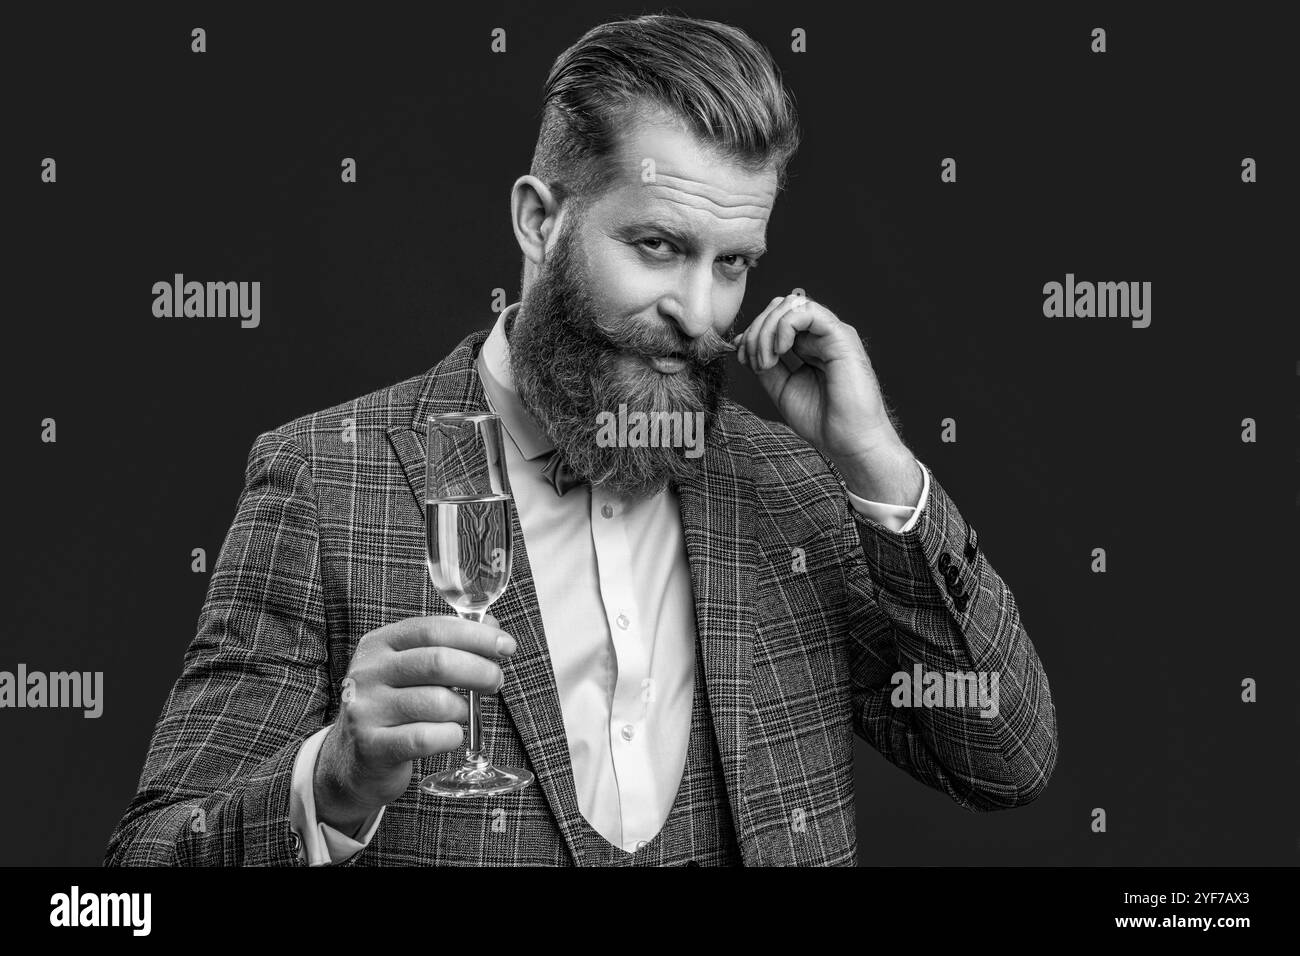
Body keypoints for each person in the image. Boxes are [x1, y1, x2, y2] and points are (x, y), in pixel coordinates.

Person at [105, 13, 1056, 867]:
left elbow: (1006, 759)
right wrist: (331, 783)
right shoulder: (324, 482)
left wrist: (877, 462)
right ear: (539, 220)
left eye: (732, 265)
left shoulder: (795, 486)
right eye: (657, 247)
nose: (699, 312)